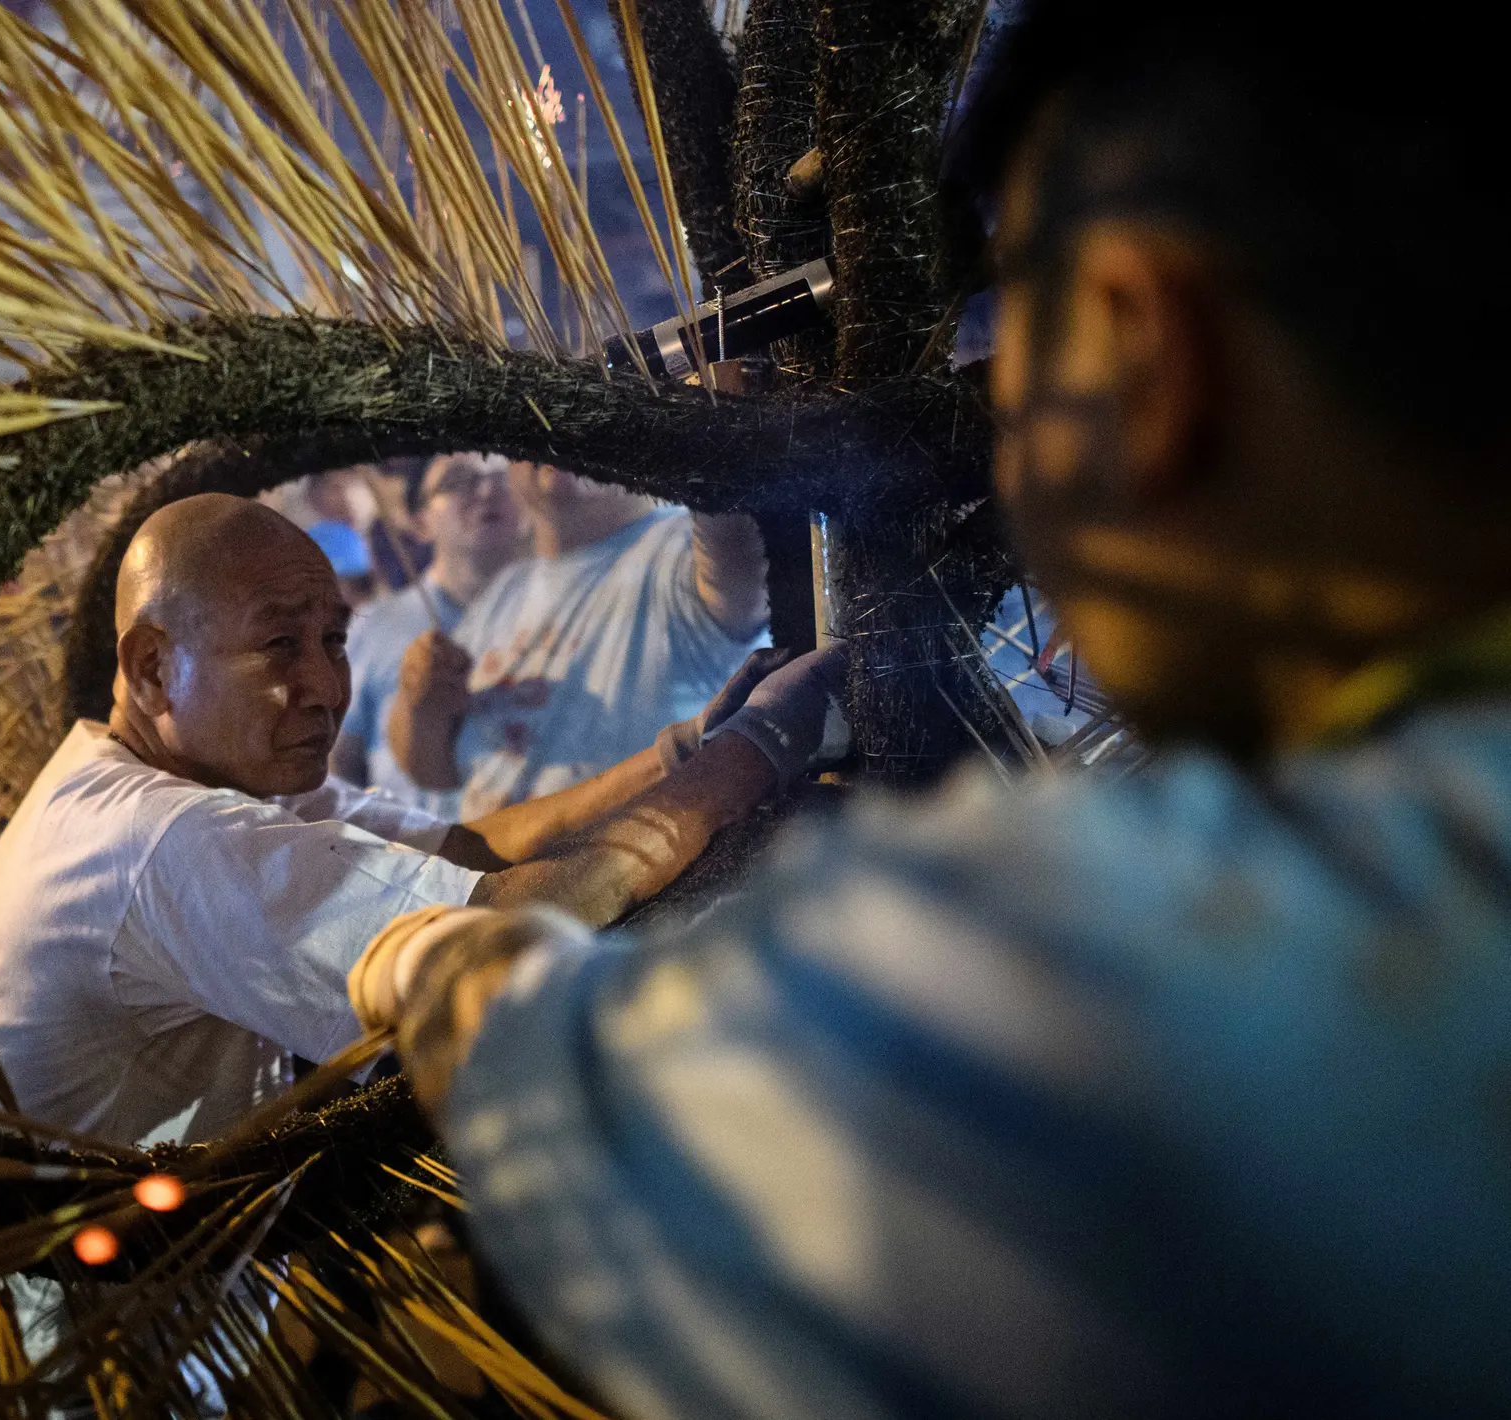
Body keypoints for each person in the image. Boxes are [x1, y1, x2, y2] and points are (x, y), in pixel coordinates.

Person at [350, 3, 1511, 1416]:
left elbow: (576, 1116)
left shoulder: (1140, 964)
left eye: (1018, 316)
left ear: (1148, 350)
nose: (997, 415)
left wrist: (425, 965)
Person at [0, 492, 842, 1147]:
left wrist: (687, 746)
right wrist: (765, 745)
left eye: (332, 639)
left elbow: (469, 846)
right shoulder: (155, 839)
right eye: (279, 642)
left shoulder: (219, 776)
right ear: (155, 667)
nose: (325, 687)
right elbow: (504, 921)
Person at [388, 466, 768, 818]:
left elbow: (739, 552)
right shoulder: (505, 590)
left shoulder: (680, 551)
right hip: (491, 883)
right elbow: (437, 771)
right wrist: (417, 705)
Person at [333, 453, 528, 816]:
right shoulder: (373, 625)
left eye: (501, 477)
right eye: (457, 481)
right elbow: (342, 758)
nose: (486, 490)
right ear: (420, 522)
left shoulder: (557, 609)